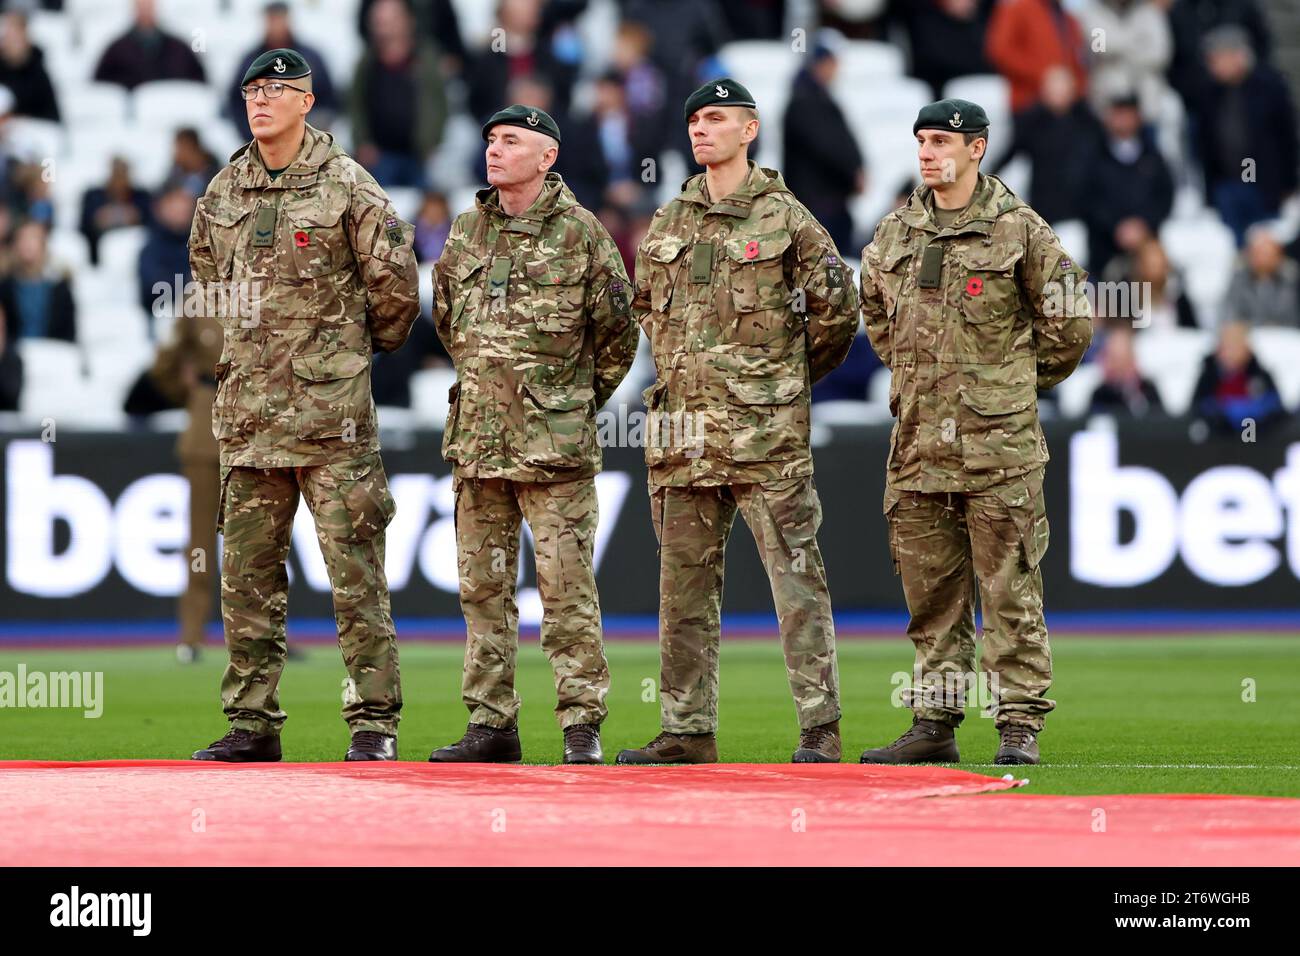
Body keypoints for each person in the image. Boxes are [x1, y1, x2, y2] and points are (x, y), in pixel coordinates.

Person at [617, 79, 859, 766]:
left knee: (796, 582)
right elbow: (645, 314)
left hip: (765, 433)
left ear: (749, 129)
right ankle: (686, 728)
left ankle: (820, 727)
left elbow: (837, 313)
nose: (701, 128)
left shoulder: (787, 218)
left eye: (716, 118)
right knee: (682, 589)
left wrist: (780, 381)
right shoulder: (669, 221)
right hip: (681, 434)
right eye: (694, 118)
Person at [187, 49, 419, 763]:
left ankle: (374, 722)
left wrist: (340, 359)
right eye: (252, 89)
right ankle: (251, 724)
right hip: (251, 420)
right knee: (249, 580)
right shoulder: (224, 191)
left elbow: (398, 293)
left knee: (355, 577)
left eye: (276, 90)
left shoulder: (349, 185)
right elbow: (204, 288)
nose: (260, 100)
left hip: (332, 424)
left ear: (307, 100)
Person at [858, 98, 1093, 766]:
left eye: (942, 141)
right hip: (919, 444)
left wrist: (1012, 384)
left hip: (1000, 448)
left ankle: (1019, 722)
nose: (928, 152)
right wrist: (918, 374)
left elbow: (1071, 323)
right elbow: (875, 313)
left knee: (1010, 588)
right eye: (922, 141)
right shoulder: (898, 230)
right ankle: (935, 721)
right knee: (931, 598)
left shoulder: (1019, 229)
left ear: (977, 148)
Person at [428, 104, 637, 765]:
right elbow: (446, 320)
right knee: (482, 590)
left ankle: (581, 725)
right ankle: (492, 724)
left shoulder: (582, 234)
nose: (494, 149)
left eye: (511, 140)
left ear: (546, 157)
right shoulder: (466, 230)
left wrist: (568, 402)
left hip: (555, 449)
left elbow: (618, 336)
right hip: (478, 443)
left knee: (566, 590)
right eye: (490, 138)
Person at [149, 306, 224, 663]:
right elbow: (165, 361)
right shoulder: (198, 300)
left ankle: (269, 634)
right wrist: (192, 394)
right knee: (200, 542)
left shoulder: (269, 280)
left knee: (266, 541)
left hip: (260, 428)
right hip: (209, 432)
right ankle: (192, 636)